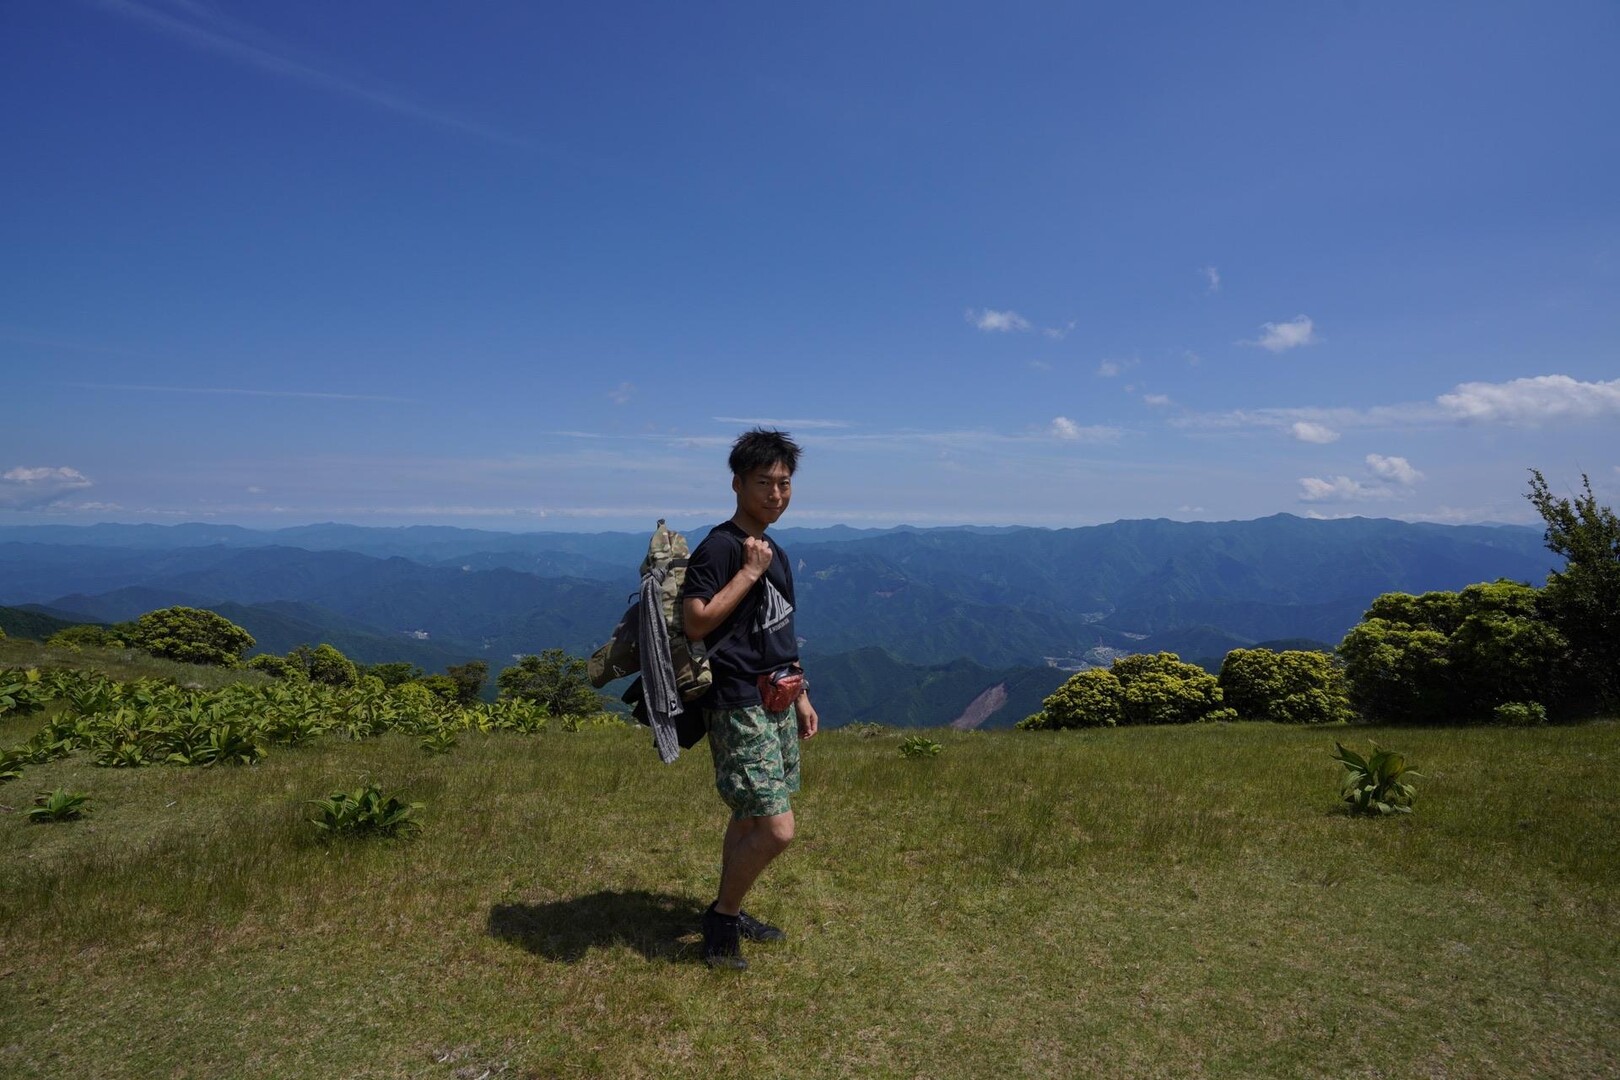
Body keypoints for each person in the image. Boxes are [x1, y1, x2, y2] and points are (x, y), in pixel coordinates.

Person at [680, 428, 819, 970]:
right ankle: (721, 918)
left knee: (746, 820)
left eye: (785, 484)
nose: (776, 494)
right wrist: (747, 572)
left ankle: (728, 912)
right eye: (764, 483)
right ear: (737, 483)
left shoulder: (773, 547)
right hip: (737, 702)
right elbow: (696, 623)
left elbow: (779, 633)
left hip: (776, 700)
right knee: (777, 828)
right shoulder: (722, 547)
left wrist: (802, 694)